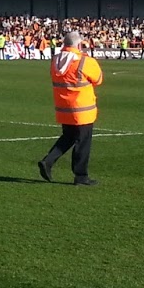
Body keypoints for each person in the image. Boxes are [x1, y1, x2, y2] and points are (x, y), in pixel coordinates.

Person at [36, 28, 103, 186]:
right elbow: (98, 79)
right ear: (79, 45)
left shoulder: (55, 60)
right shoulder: (84, 61)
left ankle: (48, 161)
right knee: (83, 142)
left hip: (63, 108)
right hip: (82, 109)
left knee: (68, 137)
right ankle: (81, 176)